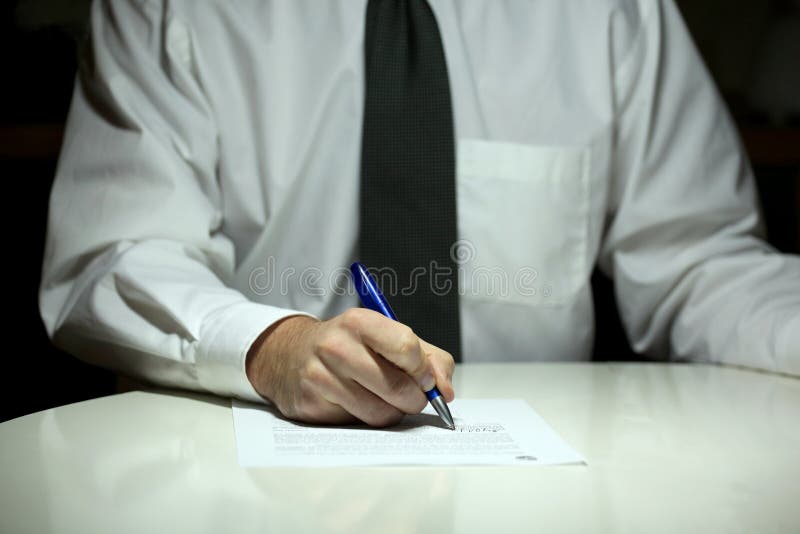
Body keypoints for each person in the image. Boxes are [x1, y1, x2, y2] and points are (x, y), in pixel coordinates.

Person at [40, 0, 799, 427]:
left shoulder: (612, 13)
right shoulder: (172, 8)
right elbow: (119, 249)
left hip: (533, 493)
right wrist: (268, 346)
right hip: (232, 473)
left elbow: (702, 260)